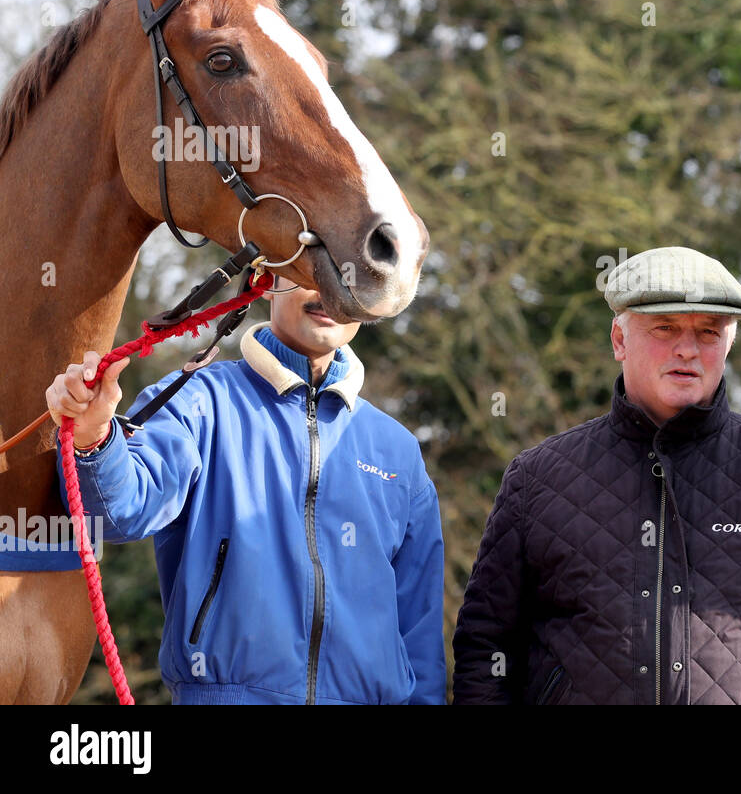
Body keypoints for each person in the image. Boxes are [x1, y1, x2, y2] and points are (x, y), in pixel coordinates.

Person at [453, 246, 741, 704]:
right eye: (664, 327)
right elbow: (487, 647)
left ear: (729, 344)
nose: (687, 349)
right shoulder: (536, 479)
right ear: (619, 340)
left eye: (708, 332)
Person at [45, 275, 445, 704]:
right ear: (266, 281)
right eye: (311, 271)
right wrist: (93, 438)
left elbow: (420, 632)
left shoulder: (398, 449)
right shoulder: (197, 402)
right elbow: (120, 513)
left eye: (348, 277)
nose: (329, 290)